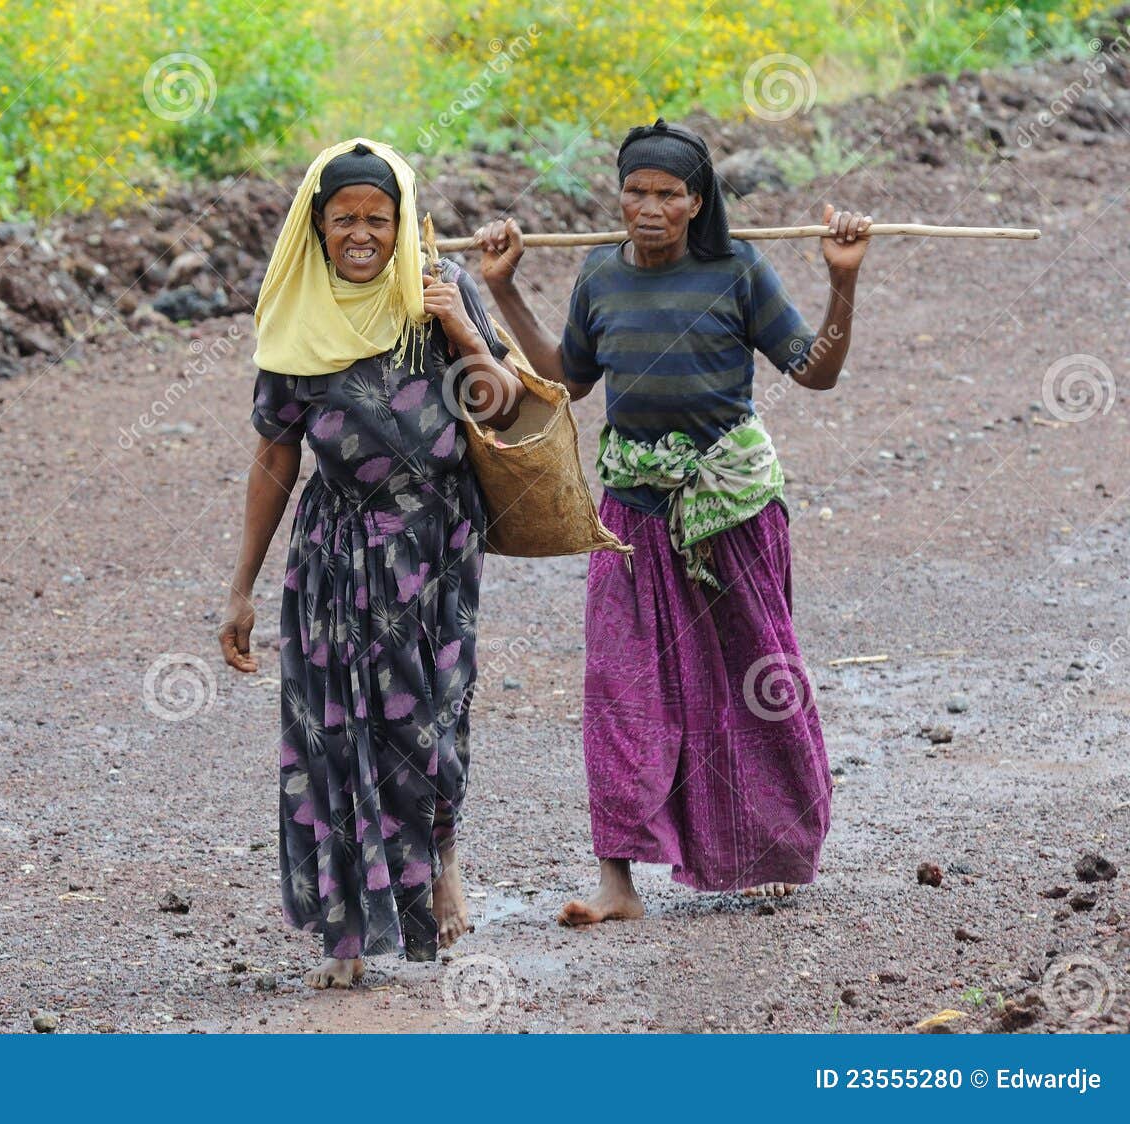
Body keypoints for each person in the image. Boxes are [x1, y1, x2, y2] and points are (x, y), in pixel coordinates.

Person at [471, 118, 872, 920]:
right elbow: (567, 379)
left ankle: (774, 850)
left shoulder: (737, 271)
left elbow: (815, 372)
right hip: (629, 511)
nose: (648, 207)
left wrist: (842, 282)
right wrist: (504, 286)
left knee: (754, 677)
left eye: (667, 194)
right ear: (618, 196)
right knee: (618, 685)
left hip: (729, 504)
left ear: (697, 201)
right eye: (635, 191)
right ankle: (616, 883)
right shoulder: (599, 277)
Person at [219, 138, 524, 987]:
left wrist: (460, 323)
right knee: (336, 731)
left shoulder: (439, 290)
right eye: (344, 219)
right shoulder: (294, 314)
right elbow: (276, 455)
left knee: (434, 717)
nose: (362, 235)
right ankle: (348, 934)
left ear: (402, 222)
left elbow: (499, 402)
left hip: (436, 544)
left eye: (378, 220)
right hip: (335, 554)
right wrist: (240, 587)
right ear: (315, 227)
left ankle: (441, 853)